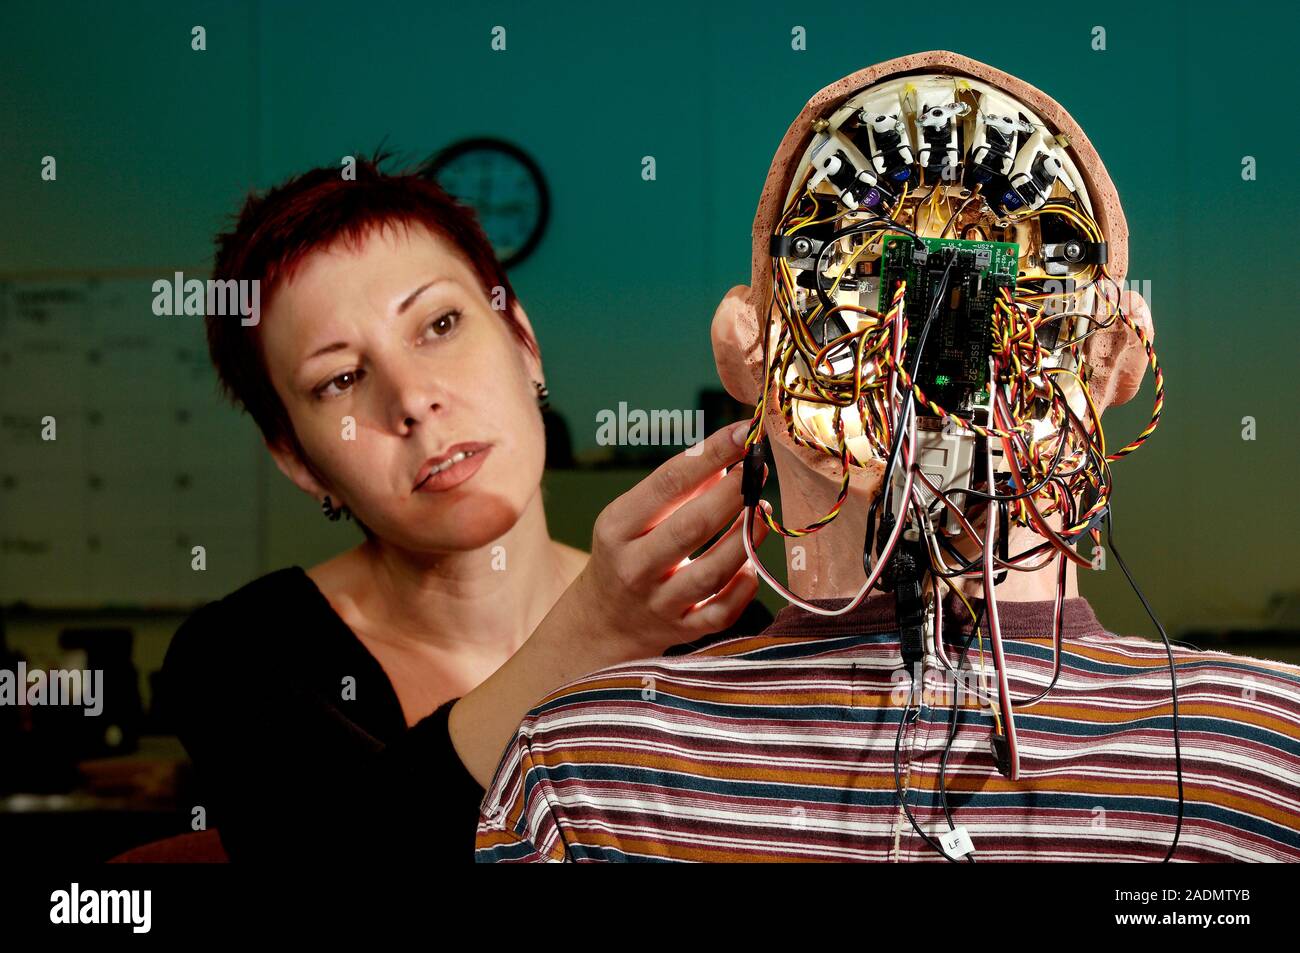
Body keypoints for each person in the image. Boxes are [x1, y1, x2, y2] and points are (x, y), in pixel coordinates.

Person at [474, 52, 1300, 863]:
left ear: (1115, 354)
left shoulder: (1273, 758)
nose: (939, 307)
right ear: (746, 344)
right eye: (865, 265)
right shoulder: (585, 782)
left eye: (1003, 268)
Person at [160, 153, 774, 863]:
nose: (413, 399)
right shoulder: (241, 659)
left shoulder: (709, 626)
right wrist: (595, 632)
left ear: (524, 343)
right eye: (340, 378)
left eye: (440, 324)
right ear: (298, 460)